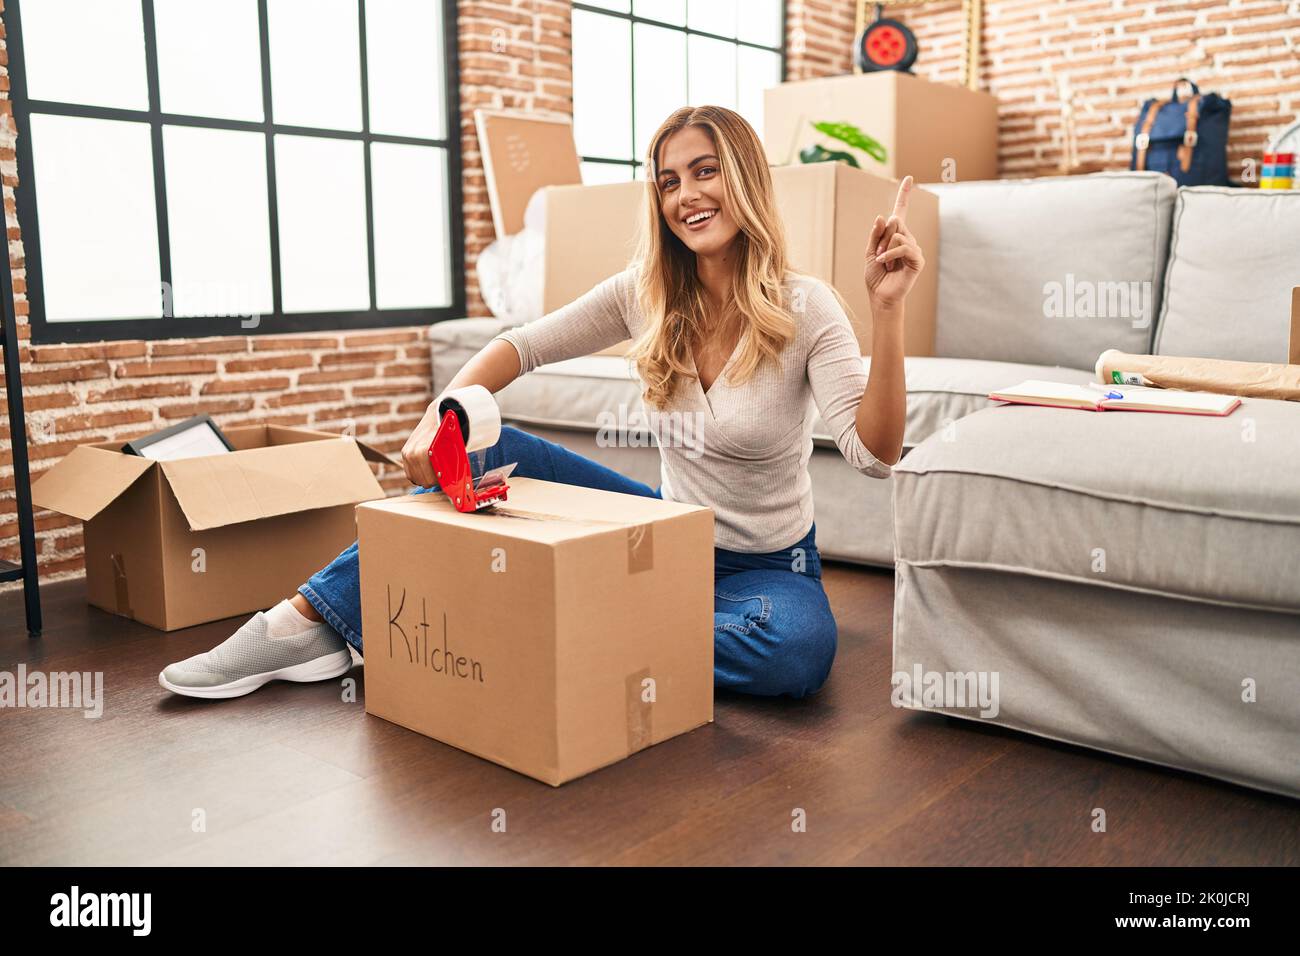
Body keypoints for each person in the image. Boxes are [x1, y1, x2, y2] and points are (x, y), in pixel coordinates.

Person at [159, 105, 924, 701]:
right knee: (493, 446)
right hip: (664, 529)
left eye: (705, 171)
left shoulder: (807, 306)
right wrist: (447, 410)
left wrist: (885, 312)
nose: (686, 195)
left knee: (794, 654)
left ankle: (540, 606)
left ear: (746, 180)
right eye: (668, 180)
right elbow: (519, 347)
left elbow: (875, 453)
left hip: (766, 570)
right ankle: (305, 623)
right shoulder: (645, 293)